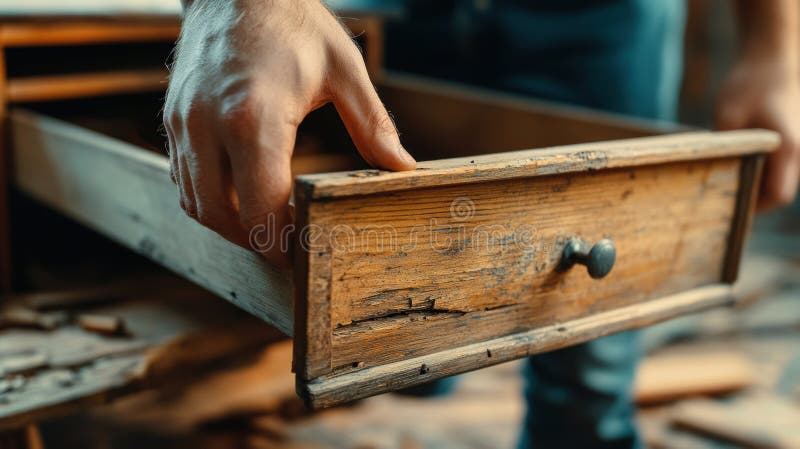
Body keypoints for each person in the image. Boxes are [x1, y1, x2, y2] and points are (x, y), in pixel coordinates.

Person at [164, 1, 800, 447]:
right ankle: (425, 384)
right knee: (409, 335)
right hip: (399, 15)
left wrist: (777, 50)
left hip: (604, 21)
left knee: (590, 372)